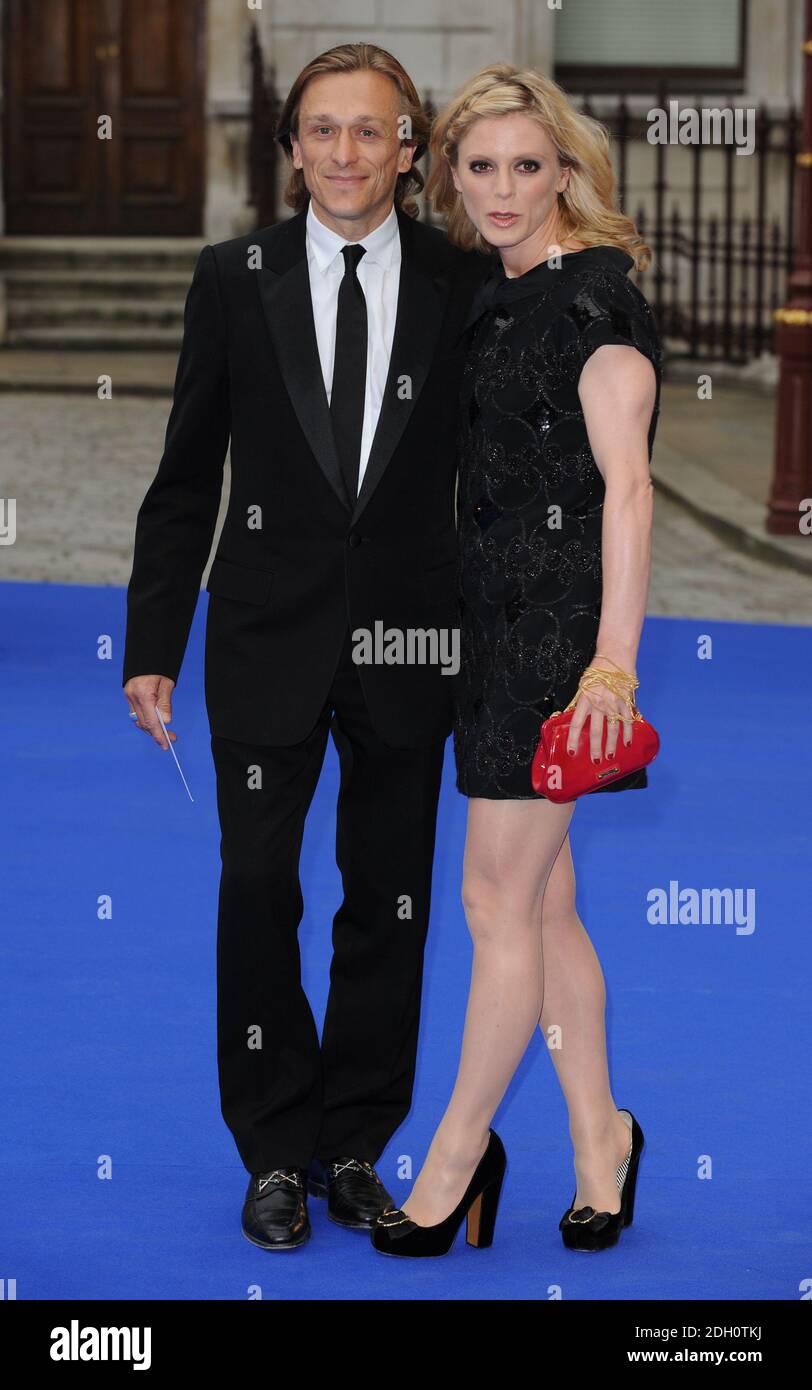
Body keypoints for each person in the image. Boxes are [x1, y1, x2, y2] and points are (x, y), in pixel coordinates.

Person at [122, 42, 490, 1251]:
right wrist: (152, 641)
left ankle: (349, 1145)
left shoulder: (459, 278)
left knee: (388, 905)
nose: (344, 152)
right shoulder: (233, 278)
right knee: (257, 888)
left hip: (408, 640)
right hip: (264, 635)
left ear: (407, 148)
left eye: (368, 131)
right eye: (321, 130)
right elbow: (186, 477)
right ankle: (273, 1148)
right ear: (291, 149)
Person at [372, 64, 661, 1258]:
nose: (499, 188)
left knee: (493, 898)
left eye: (524, 167)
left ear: (566, 175)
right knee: (543, 904)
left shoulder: (591, 298)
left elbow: (631, 490)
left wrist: (611, 666)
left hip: (560, 646)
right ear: (448, 176)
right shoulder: (494, 296)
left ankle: (451, 1162)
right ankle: (602, 1137)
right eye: (476, 166)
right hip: (488, 633)